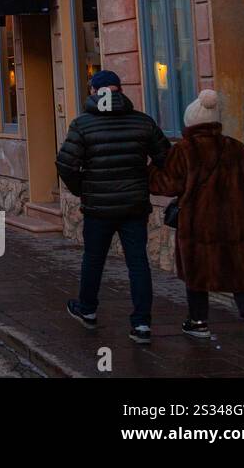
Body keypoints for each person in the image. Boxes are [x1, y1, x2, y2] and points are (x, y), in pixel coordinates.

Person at [56, 70, 170, 345]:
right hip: (134, 205)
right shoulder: (142, 122)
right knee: (138, 263)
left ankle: (88, 309)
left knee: (94, 259)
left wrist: (82, 188)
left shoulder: (82, 125)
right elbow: (166, 157)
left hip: (98, 207)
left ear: (95, 92)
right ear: (119, 90)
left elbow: (65, 164)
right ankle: (141, 323)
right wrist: (143, 178)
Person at [149, 90, 244, 345]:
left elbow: (166, 185)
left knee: (197, 272)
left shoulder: (184, 150)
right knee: (241, 271)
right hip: (237, 223)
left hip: (199, 224)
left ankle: (198, 321)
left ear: (190, 120)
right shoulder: (237, 148)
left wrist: (150, 171)